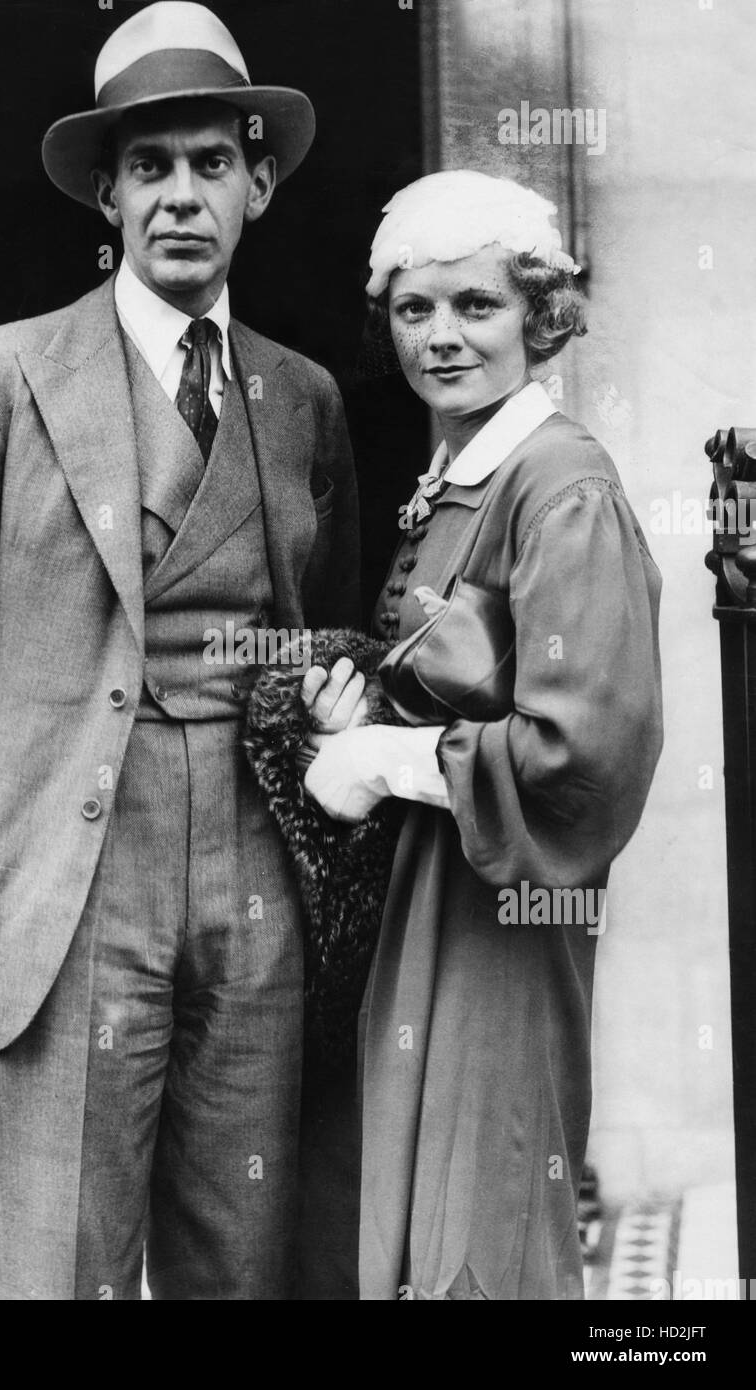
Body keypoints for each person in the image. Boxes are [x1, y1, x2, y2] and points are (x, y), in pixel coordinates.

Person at [0, 1, 359, 1300]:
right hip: (74, 887)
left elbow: (330, 638)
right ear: (106, 190)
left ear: (258, 183)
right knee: (57, 1270)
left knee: (240, 1266)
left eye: (210, 164)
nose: (180, 198)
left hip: (256, 890)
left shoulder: (300, 395)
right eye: (149, 168)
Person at [300, 170, 663, 1299]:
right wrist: (354, 709)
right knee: (408, 1209)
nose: (442, 338)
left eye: (476, 306)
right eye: (414, 310)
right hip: (427, 889)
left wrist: (382, 760)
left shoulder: (560, 485)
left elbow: (584, 752)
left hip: (505, 900)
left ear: (537, 315)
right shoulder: (458, 477)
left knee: (485, 1212)